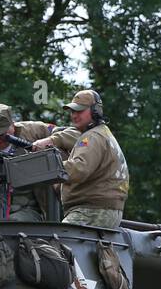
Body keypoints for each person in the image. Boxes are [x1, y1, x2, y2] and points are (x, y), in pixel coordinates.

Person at [32, 89, 129, 228]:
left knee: (58, 244)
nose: (74, 115)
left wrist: (45, 167)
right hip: (102, 209)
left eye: (80, 111)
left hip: (91, 210)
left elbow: (79, 168)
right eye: (72, 111)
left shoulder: (92, 137)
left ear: (95, 111)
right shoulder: (102, 133)